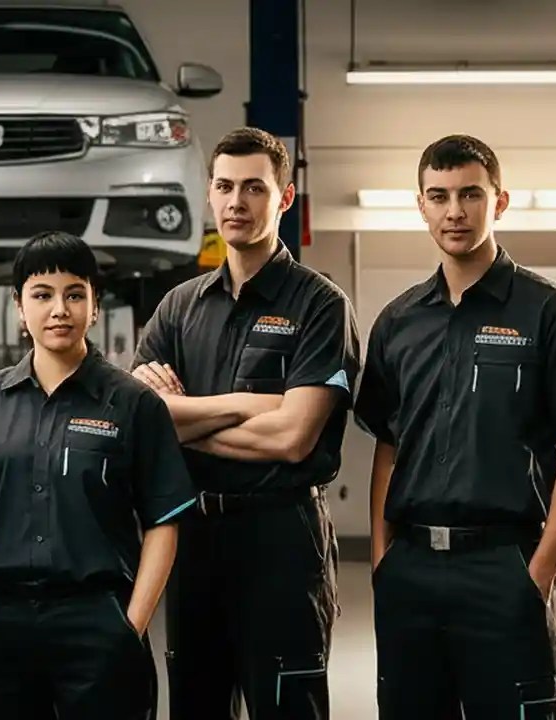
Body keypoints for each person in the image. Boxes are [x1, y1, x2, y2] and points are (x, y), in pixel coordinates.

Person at [354, 134, 556, 718]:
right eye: (439, 195)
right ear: (420, 205)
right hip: (412, 570)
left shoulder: (549, 313)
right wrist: (382, 561)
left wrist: (538, 574)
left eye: (470, 194)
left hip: (505, 566)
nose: (455, 211)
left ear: (498, 202)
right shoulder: (397, 323)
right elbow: (388, 447)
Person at [130, 127, 361, 720]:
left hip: (281, 539)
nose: (237, 202)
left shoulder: (320, 305)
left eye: (254, 188)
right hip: (194, 540)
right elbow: (142, 426)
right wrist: (246, 404)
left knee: (288, 705)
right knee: (195, 703)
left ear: (284, 198)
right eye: (225, 186)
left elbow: (292, 437)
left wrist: (188, 418)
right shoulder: (178, 308)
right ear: (209, 194)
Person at [0, 230, 197, 720]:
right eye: (42, 295)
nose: (59, 309)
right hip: (1, 625)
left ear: (94, 307)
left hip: (98, 621)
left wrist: (131, 624)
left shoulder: (134, 404)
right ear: (19, 307)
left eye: (74, 294)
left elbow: (164, 520)